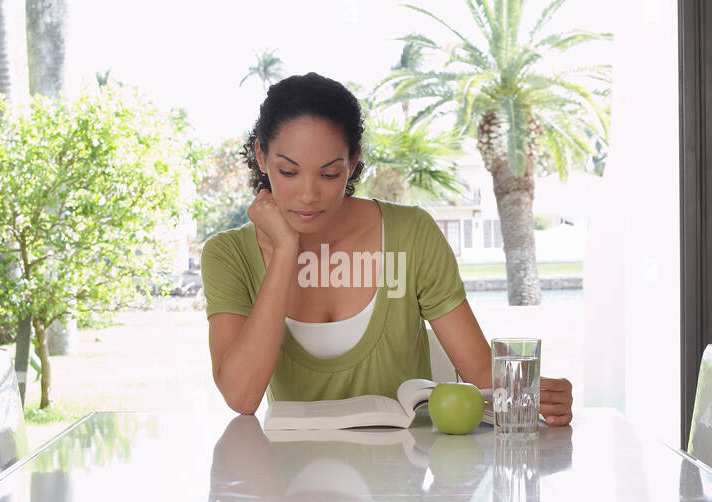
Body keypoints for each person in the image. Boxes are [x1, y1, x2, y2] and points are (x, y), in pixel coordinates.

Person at [200, 72, 573, 425]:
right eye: (289, 172)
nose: (309, 194)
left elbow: (479, 374)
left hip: (403, 483)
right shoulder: (228, 255)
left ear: (353, 162)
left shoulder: (411, 234)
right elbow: (241, 396)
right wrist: (284, 251)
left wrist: (539, 394)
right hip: (290, 484)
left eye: (330, 174)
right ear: (262, 157)